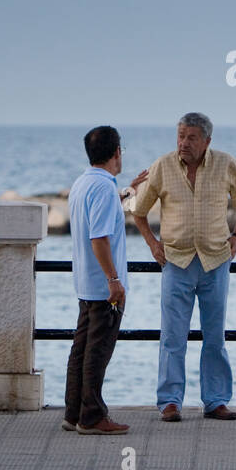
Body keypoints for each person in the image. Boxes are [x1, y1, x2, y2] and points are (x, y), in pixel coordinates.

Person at [132, 113, 236, 422]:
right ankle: (170, 402)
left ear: (207, 141)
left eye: (191, 138)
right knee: (173, 337)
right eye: (180, 136)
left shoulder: (227, 164)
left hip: (215, 261)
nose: (183, 143)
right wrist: (152, 244)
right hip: (176, 261)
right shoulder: (161, 167)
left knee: (215, 336)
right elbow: (138, 210)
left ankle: (215, 401)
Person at [62, 126, 147, 435]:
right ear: (117, 153)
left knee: (81, 349)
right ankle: (92, 416)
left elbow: (98, 216)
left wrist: (127, 191)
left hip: (85, 282)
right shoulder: (102, 188)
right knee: (97, 351)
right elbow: (99, 238)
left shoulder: (84, 183)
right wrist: (114, 280)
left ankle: (73, 413)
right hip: (102, 287)